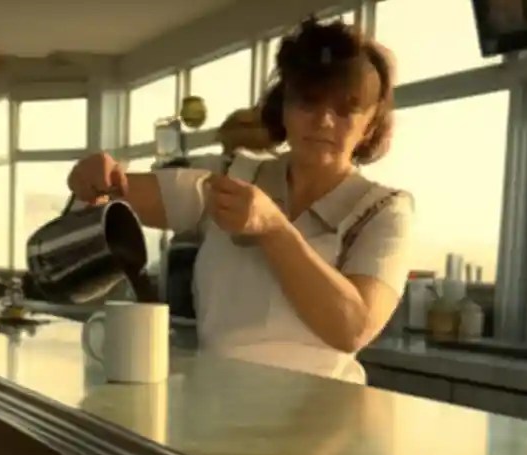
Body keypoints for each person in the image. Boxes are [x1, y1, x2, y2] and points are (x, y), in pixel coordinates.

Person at [68, 17, 413, 384]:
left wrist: (274, 228)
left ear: (371, 124)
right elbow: (113, 194)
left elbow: (352, 328)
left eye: (346, 109)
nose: (324, 121)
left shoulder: (383, 210)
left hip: (323, 419)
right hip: (216, 411)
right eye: (308, 102)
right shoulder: (234, 175)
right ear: (284, 107)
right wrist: (93, 179)